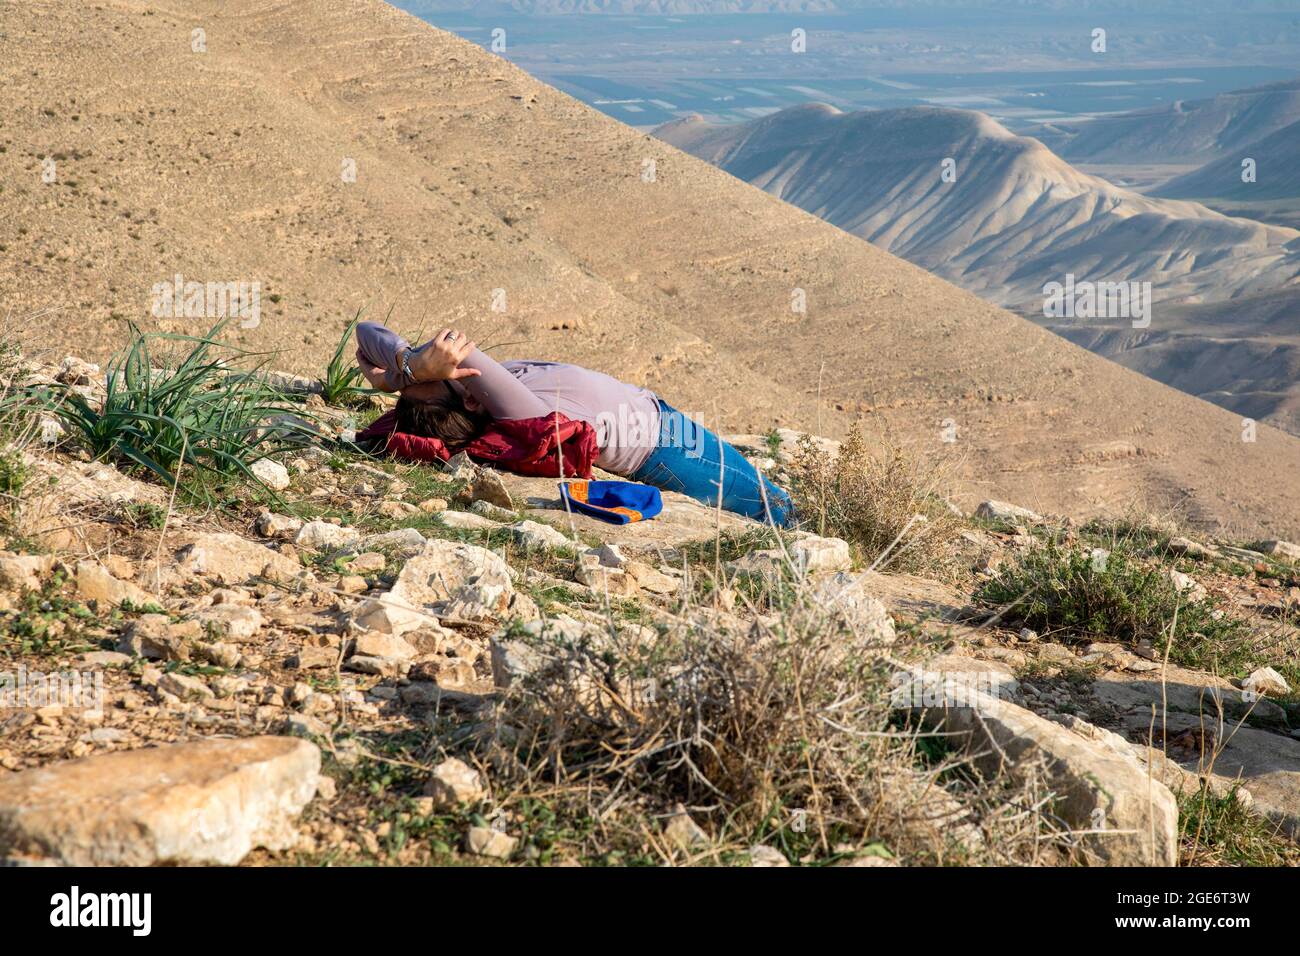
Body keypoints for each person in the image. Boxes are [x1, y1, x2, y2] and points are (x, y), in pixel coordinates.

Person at [354, 321, 796, 527]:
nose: (444, 369)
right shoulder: (517, 414)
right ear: (469, 398)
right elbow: (461, 349)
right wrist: (413, 369)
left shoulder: (483, 396)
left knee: (770, 505)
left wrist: (404, 370)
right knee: (774, 507)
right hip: (671, 448)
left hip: (664, 425)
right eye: (441, 379)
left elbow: (365, 331)